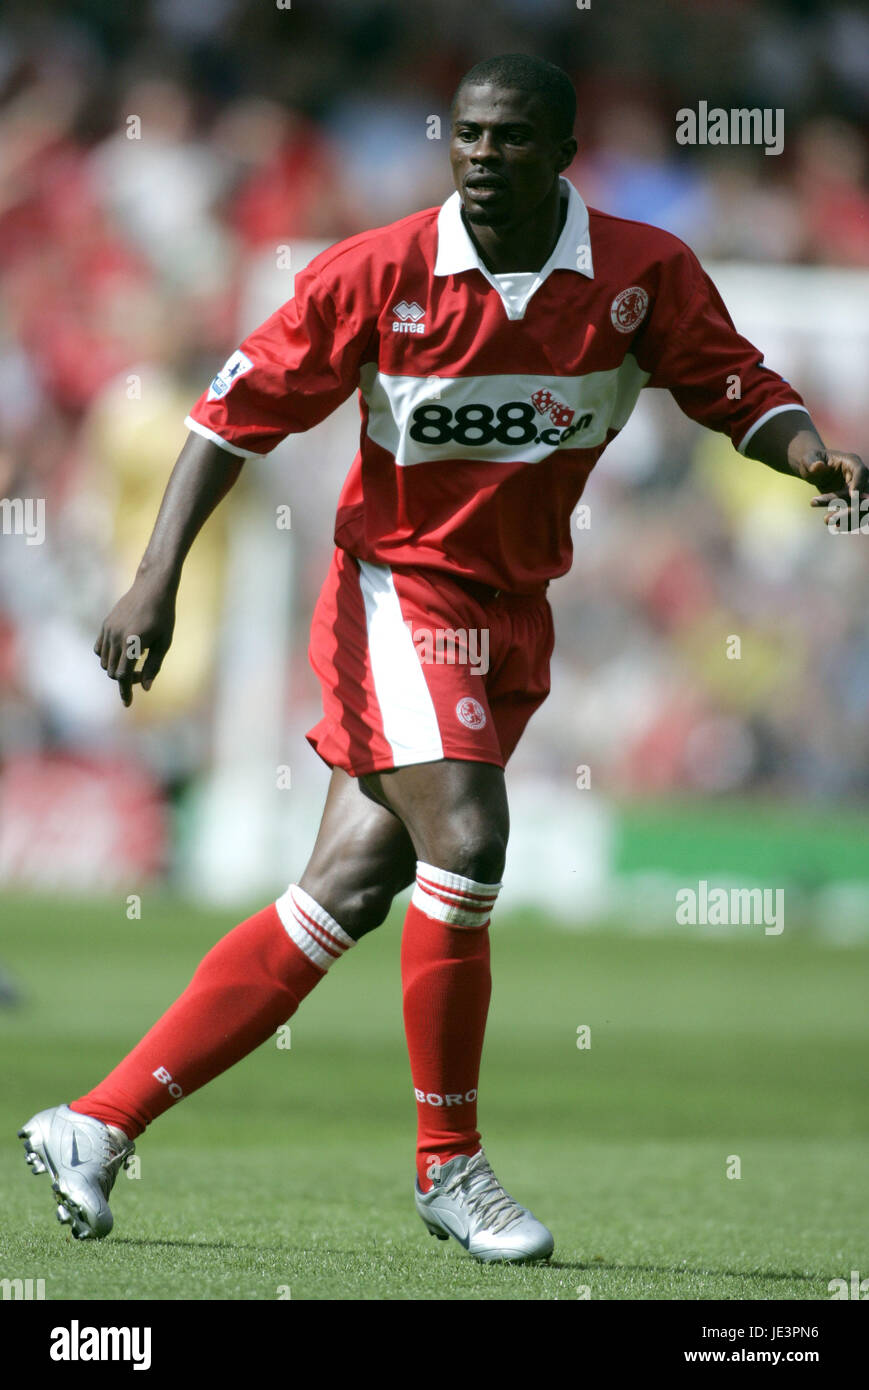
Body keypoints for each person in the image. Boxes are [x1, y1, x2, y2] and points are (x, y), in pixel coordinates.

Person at [18, 53, 867, 1264]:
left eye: (509, 138)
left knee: (349, 891)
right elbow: (226, 414)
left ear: (563, 152)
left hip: (514, 611)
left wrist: (808, 456)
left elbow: (736, 388)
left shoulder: (638, 276)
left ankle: (93, 1123)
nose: (480, 155)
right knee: (466, 843)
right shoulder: (377, 272)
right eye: (466, 134)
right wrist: (151, 581)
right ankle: (447, 1166)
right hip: (395, 592)